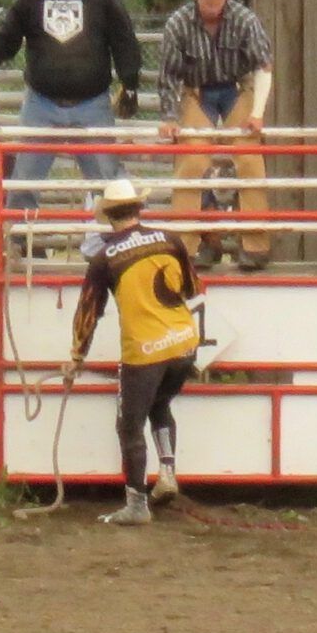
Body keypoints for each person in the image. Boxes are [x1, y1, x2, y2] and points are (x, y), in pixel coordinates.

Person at [0, 0, 140, 229]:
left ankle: (117, 235)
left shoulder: (104, 1)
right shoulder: (30, 1)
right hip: (42, 102)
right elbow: (7, 38)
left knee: (105, 178)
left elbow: (124, 41)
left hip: (92, 102)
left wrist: (130, 84)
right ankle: (21, 236)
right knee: (25, 178)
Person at [64, 177, 201, 526]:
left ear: (109, 216)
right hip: (184, 341)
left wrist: (76, 356)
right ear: (139, 209)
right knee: (161, 404)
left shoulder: (104, 258)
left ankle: (137, 503)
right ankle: (167, 472)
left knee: (129, 424)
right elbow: (191, 287)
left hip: (144, 350)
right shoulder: (171, 240)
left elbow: (88, 313)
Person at [158, 0, 274, 271]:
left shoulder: (245, 20)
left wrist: (258, 113)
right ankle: (185, 245)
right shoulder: (178, 23)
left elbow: (263, 66)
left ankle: (255, 244)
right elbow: (169, 75)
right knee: (193, 159)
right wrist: (170, 116)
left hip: (237, 88)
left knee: (249, 158)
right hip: (195, 91)